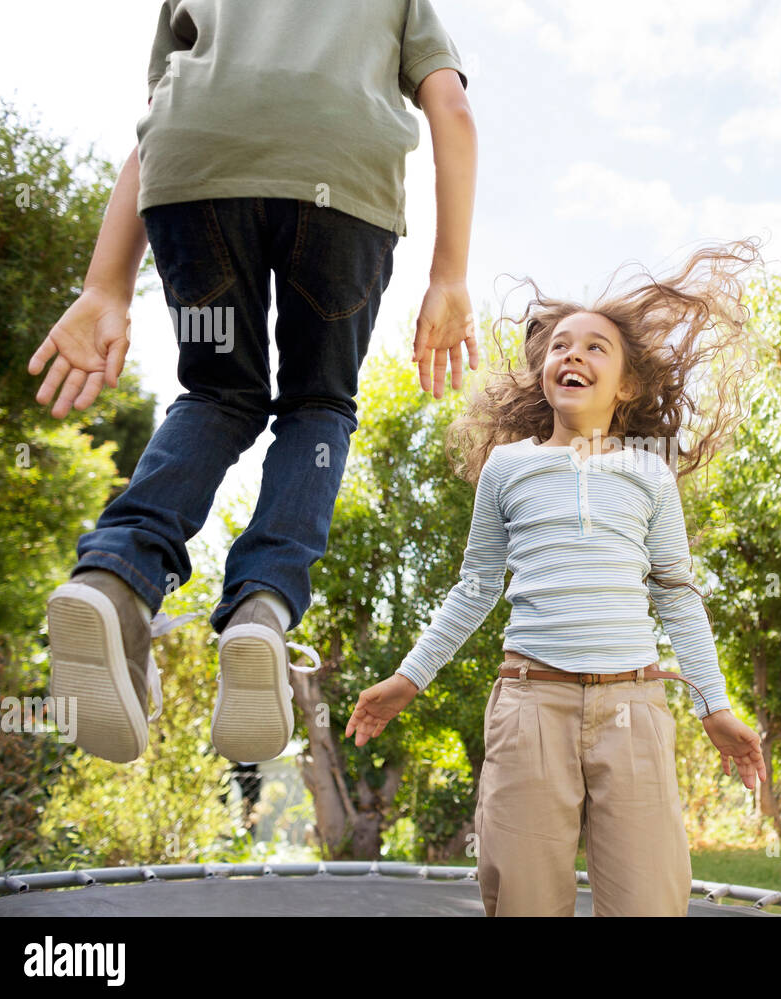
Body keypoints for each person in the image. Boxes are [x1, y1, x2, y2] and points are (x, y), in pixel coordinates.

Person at [27, 0, 479, 765]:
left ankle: (115, 575)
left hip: (196, 195)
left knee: (216, 390)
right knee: (318, 403)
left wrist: (105, 285)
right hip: (341, 203)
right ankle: (263, 607)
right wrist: (450, 274)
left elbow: (159, 121)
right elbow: (454, 110)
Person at [344, 240, 770, 916]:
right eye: (560, 346)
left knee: (650, 903)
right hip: (530, 705)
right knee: (523, 903)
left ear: (626, 384)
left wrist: (713, 705)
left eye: (596, 347)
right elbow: (477, 586)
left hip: (633, 710)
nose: (572, 354)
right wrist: (408, 677)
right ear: (544, 374)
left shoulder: (649, 474)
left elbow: (678, 597)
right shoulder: (507, 469)